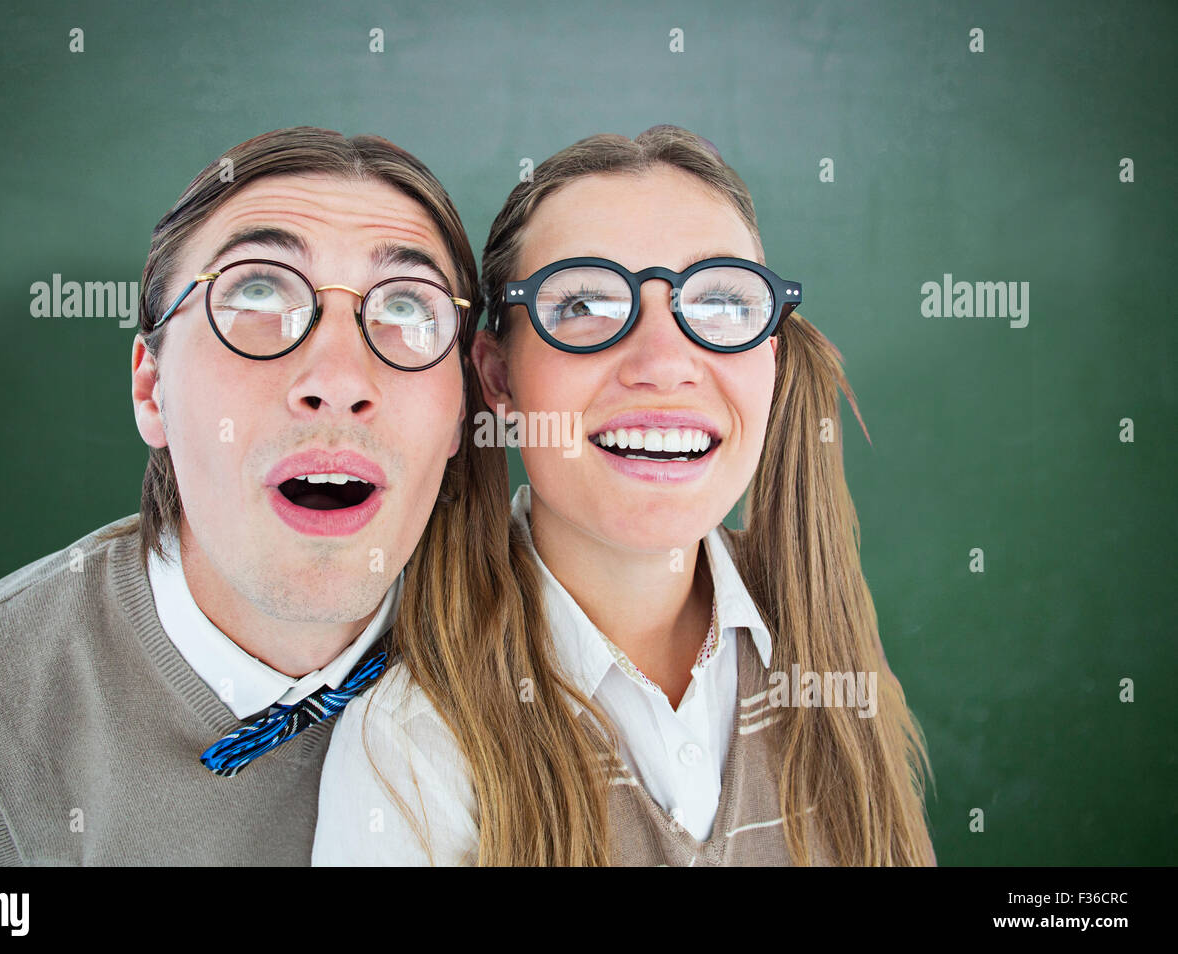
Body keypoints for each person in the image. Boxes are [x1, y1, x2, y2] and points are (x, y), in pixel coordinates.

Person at [314, 125, 937, 866]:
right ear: (498, 378)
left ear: (768, 357)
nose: (664, 362)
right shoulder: (414, 745)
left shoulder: (831, 655)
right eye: (585, 304)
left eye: (722, 305)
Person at [0, 126, 480, 865]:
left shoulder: (554, 667)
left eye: (408, 309)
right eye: (258, 292)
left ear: (458, 412)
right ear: (151, 387)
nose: (340, 380)